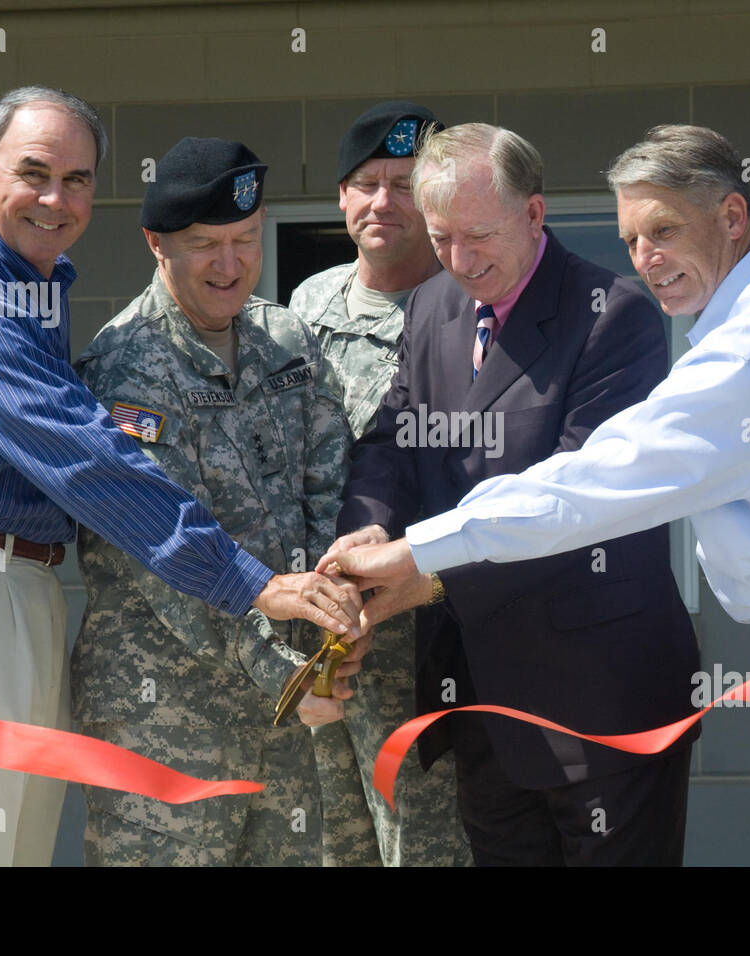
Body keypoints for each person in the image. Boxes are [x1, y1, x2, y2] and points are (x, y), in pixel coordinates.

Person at [325, 124, 750, 866]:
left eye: (664, 230)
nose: (646, 260)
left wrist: (420, 553)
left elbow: (597, 482)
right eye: (632, 238)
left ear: (732, 217)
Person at [0, 88, 360, 867]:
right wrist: (250, 584)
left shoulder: (29, 285)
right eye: (35, 173)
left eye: (78, 178)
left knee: (8, 852)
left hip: (14, 586)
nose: (58, 198)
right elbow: (88, 460)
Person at [328, 122, 700, 866]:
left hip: (600, 705)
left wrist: (420, 576)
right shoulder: (431, 306)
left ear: (534, 213)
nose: (460, 262)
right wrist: (367, 531)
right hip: (480, 703)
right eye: (441, 239)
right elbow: (392, 445)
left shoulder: (613, 317)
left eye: (479, 236)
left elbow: (571, 504)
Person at [73, 137, 357, 866]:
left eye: (243, 240)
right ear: (155, 245)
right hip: (166, 720)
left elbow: (332, 490)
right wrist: (286, 675)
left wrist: (334, 630)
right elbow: (160, 555)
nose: (228, 266)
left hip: (292, 713)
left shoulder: (287, 340)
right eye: (204, 245)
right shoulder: (125, 363)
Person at [289, 101, 472, 867]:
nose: (382, 202)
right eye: (367, 183)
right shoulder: (306, 307)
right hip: (323, 633)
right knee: (337, 845)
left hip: (423, 634)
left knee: (424, 848)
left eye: (404, 184)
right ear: (340, 195)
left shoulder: (473, 305)